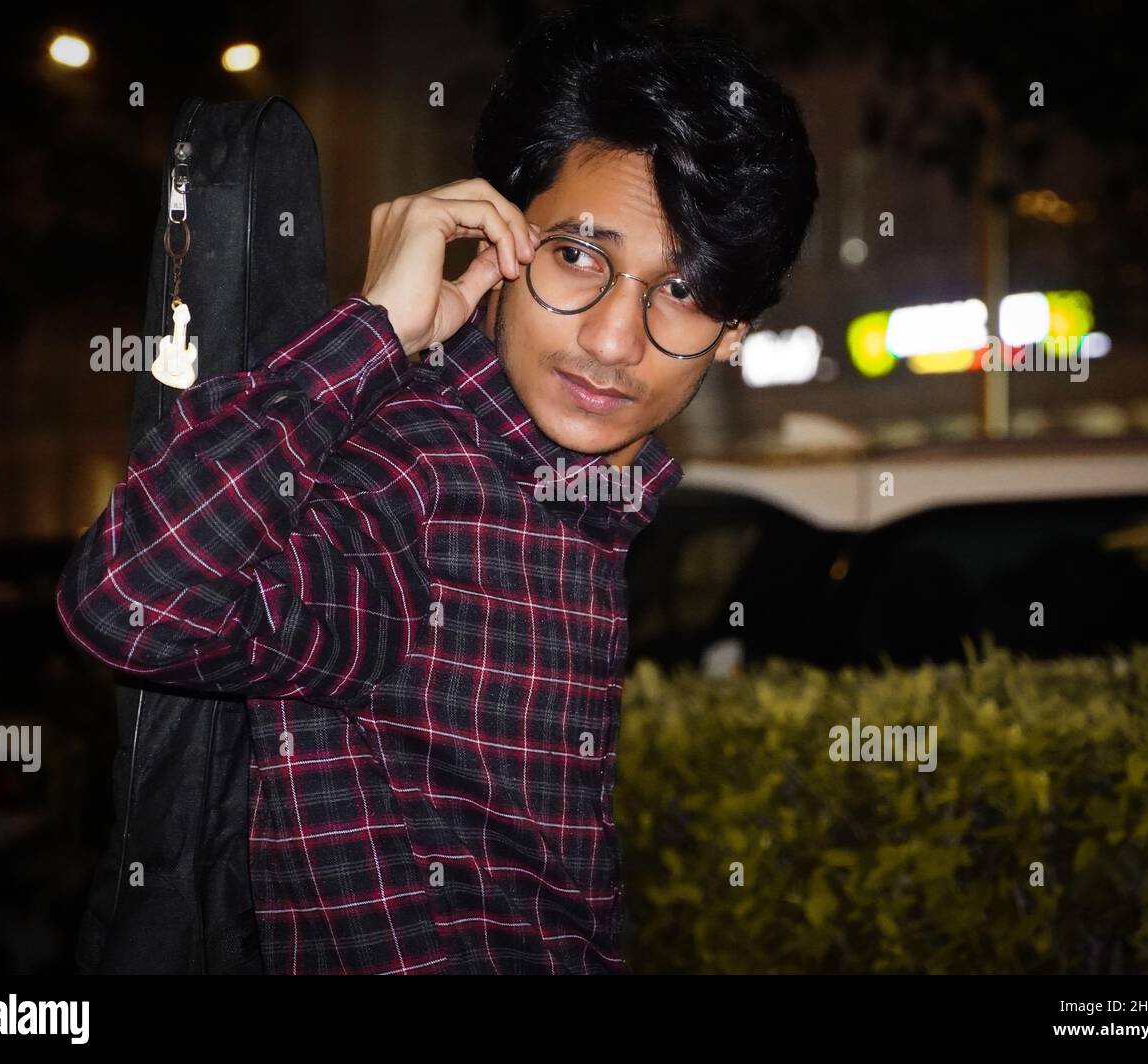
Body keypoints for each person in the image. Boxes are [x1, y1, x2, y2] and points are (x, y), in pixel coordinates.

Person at [56, 6, 817, 974]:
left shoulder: (563, 499)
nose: (616, 341)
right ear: (503, 235)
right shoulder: (418, 483)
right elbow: (129, 596)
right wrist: (372, 327)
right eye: (578, 256)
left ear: (736, 328)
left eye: (680, 290)